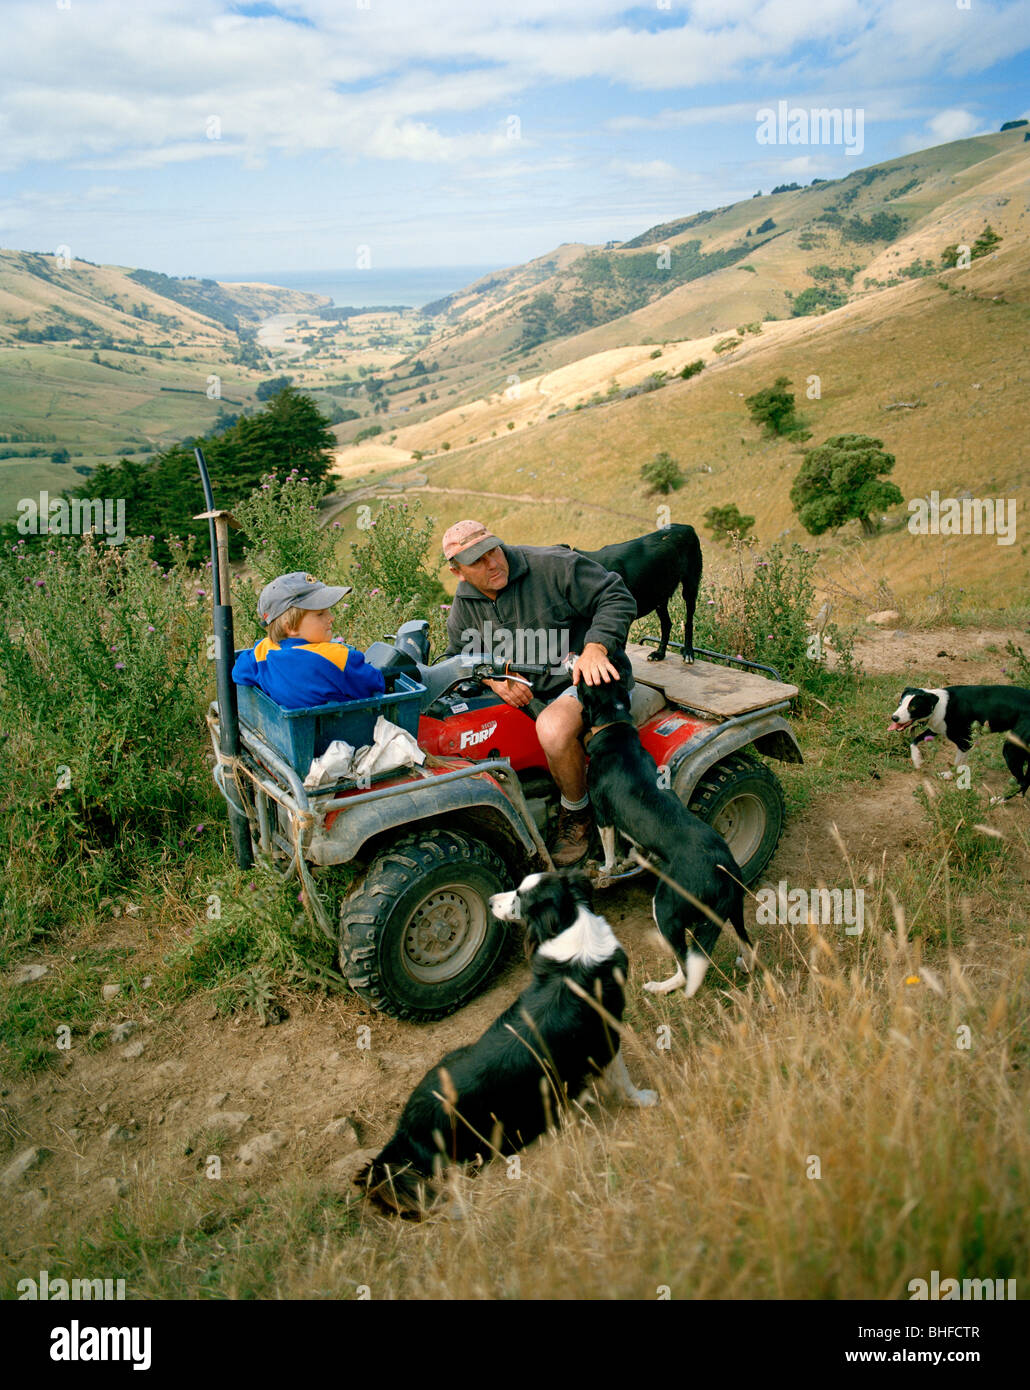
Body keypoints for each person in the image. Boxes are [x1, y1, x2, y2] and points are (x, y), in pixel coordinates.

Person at [441, 519, 636, 865]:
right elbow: (458, 655)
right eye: (478, 561)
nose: (493, 564)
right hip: (531, 694)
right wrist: (494, 679)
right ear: (458, 572)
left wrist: (597, 647)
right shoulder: (465, 603)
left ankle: (577, 814)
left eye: (493, 550)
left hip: (587, 682)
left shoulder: (553, 565)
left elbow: (615, 595)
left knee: (552, 728)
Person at [232, 571, 386, 709]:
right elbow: (375, 684)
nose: (331, 618)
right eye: (320, 614)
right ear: (290, 627)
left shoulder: (263, 650)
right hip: (342, 726)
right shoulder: (336, 657)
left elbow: (239, 672)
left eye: (328, 611)